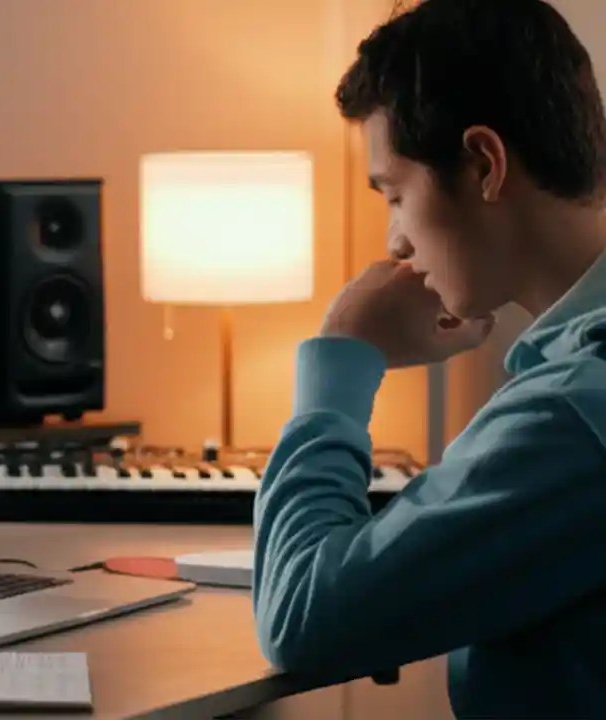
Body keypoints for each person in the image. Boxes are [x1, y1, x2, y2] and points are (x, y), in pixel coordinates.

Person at [252, 0, 606, 716]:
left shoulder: (574, 407)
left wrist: (340, 360)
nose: (396, 243)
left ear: (483, 165)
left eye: (394, 194)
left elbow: (302, 617)